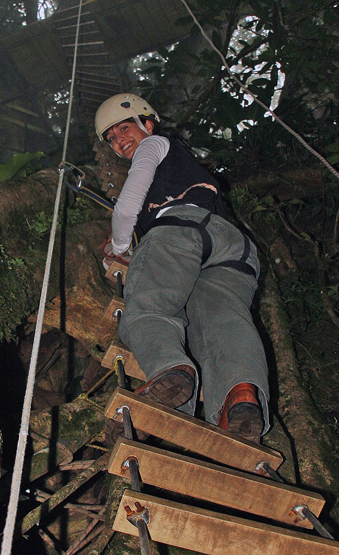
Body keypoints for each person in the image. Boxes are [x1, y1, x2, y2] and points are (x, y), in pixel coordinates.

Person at [96, 93, 269, 443]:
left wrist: (117, 247)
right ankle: (240, 398)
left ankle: (171, 369)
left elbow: (127, 208)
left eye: (124, 128)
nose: (118, 140)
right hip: (230, 245)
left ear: (148, 124)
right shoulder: (179, 164)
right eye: (111, 138)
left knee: (148, 307)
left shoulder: (154, 145)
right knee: (224, 321)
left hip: (179, 230)